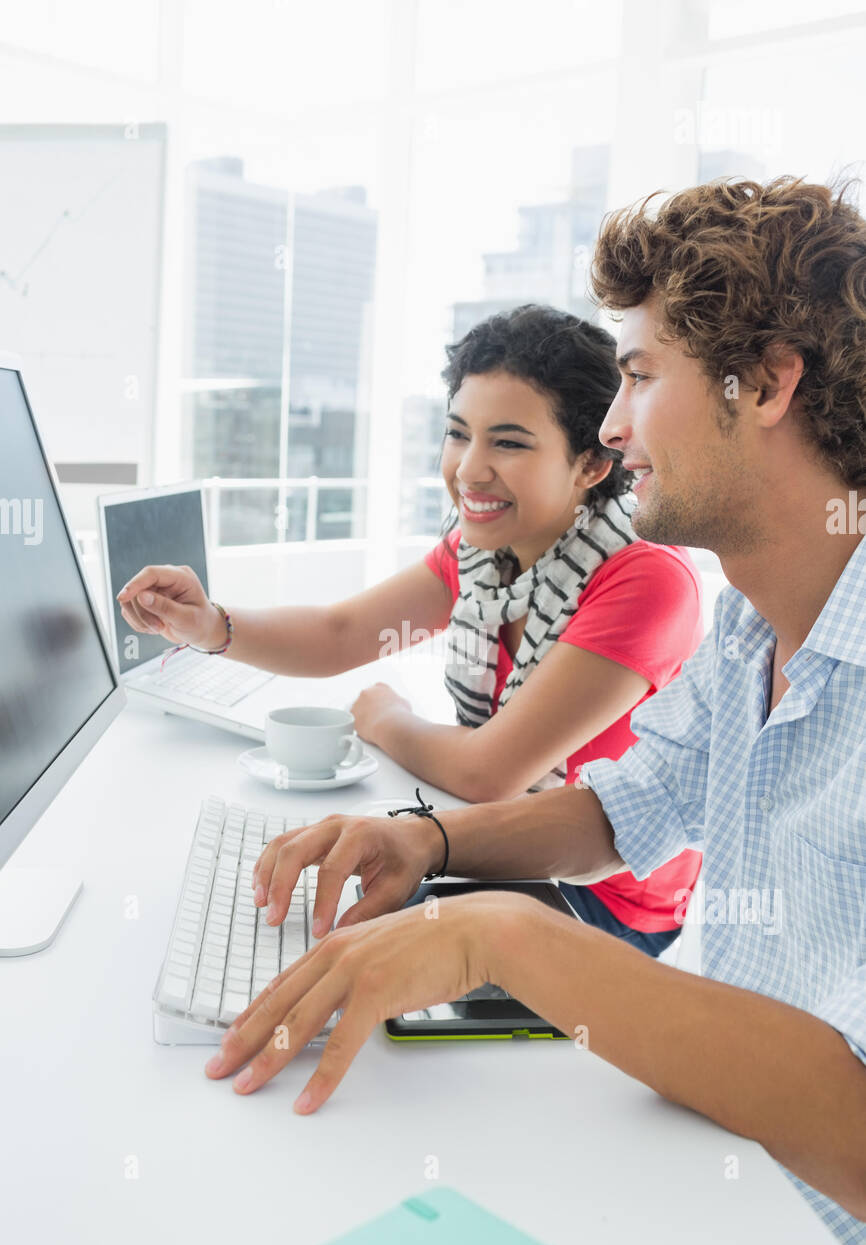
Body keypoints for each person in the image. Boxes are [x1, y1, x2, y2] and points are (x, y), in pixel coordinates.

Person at [204, 176, 866, 1245]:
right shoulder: (753, 629)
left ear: (765, 386)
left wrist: (500, 931)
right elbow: (626, 806)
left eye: (640, 378)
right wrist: (430, 840)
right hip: (730, 1185)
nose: (611, 426)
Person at [118, 305, 703, 956]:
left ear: (592, 465)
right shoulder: (484, 549)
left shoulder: (647, 580)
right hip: (497, 842)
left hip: (600, 902)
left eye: (508, 442)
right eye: (459, 433)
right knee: (284, 911)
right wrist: (212, 625)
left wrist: (387, 717)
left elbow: (490, 774)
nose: (469, 469)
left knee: (341, 945)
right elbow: (341, 632)